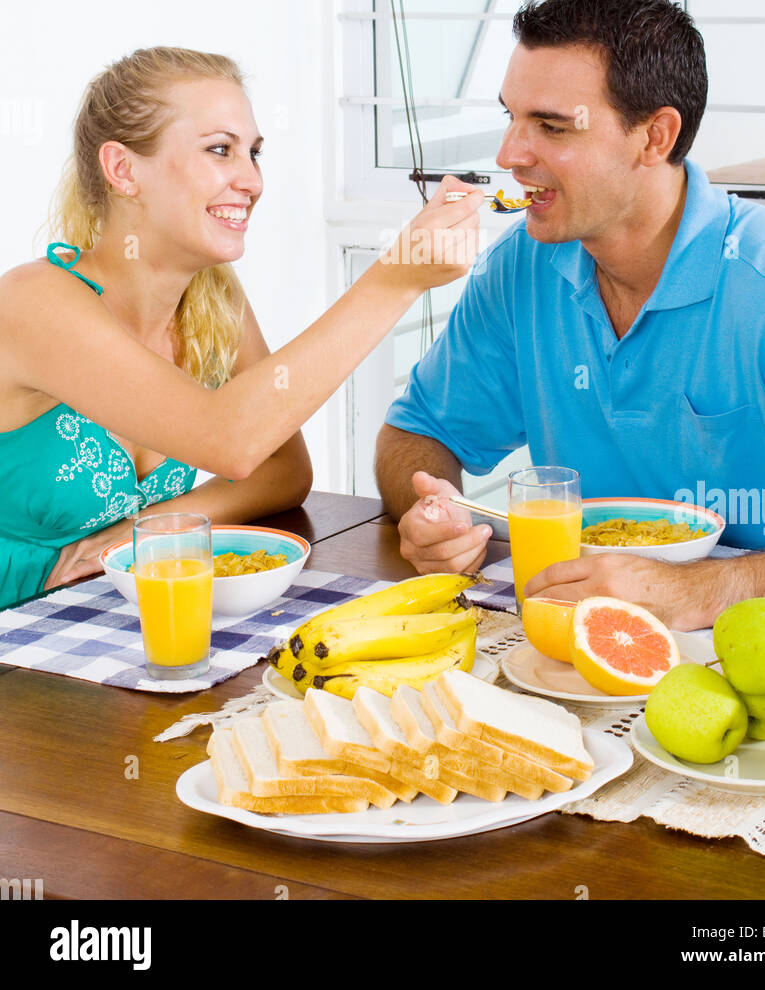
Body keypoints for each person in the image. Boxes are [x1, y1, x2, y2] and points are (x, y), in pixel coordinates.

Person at [375, 0, 765, 629]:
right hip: (576, 635)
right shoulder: (524, 265)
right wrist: (428, 509)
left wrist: (709, 588)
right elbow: (416, 434)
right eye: (511, 118)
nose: (509, 156)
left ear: (655, 137)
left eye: (550, 126)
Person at [0, 46, 482, 610]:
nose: (251, 180)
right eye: (219, 150)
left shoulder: (211, 297)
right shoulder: (34, 303)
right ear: (123, 169)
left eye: (253, 153)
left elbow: (283, 467)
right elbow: (229, 441)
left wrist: (154, 528)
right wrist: (395, 279)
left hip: (113, 618)